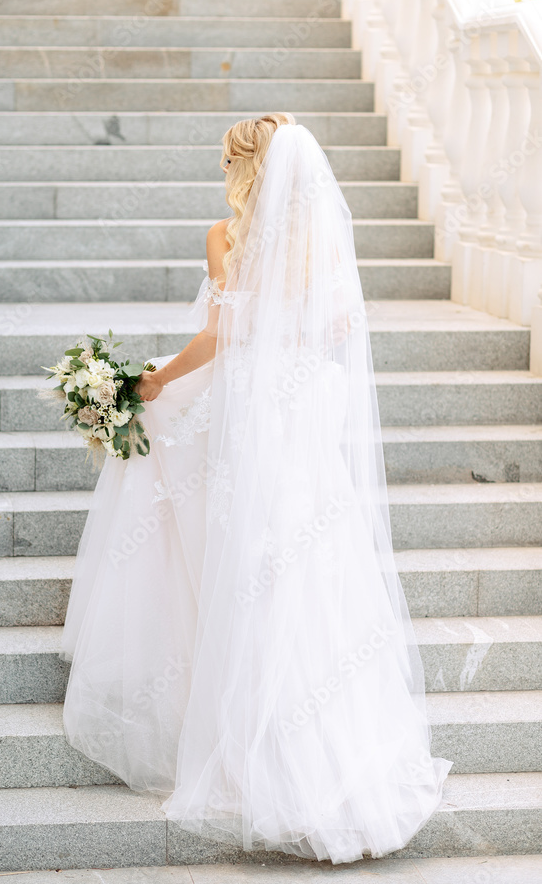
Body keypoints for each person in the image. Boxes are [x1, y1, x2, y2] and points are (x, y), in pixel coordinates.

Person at [59, 112, 453, 865]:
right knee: (309, 566)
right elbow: (335, 325)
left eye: (226, 161)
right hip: (299, 416)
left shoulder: (226, 236)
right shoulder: (323, 242)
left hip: (250, 412)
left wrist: (152, 380)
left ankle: (243, 746)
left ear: (244, 171)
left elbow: (221, 335)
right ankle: (331, 751)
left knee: (235, 548)